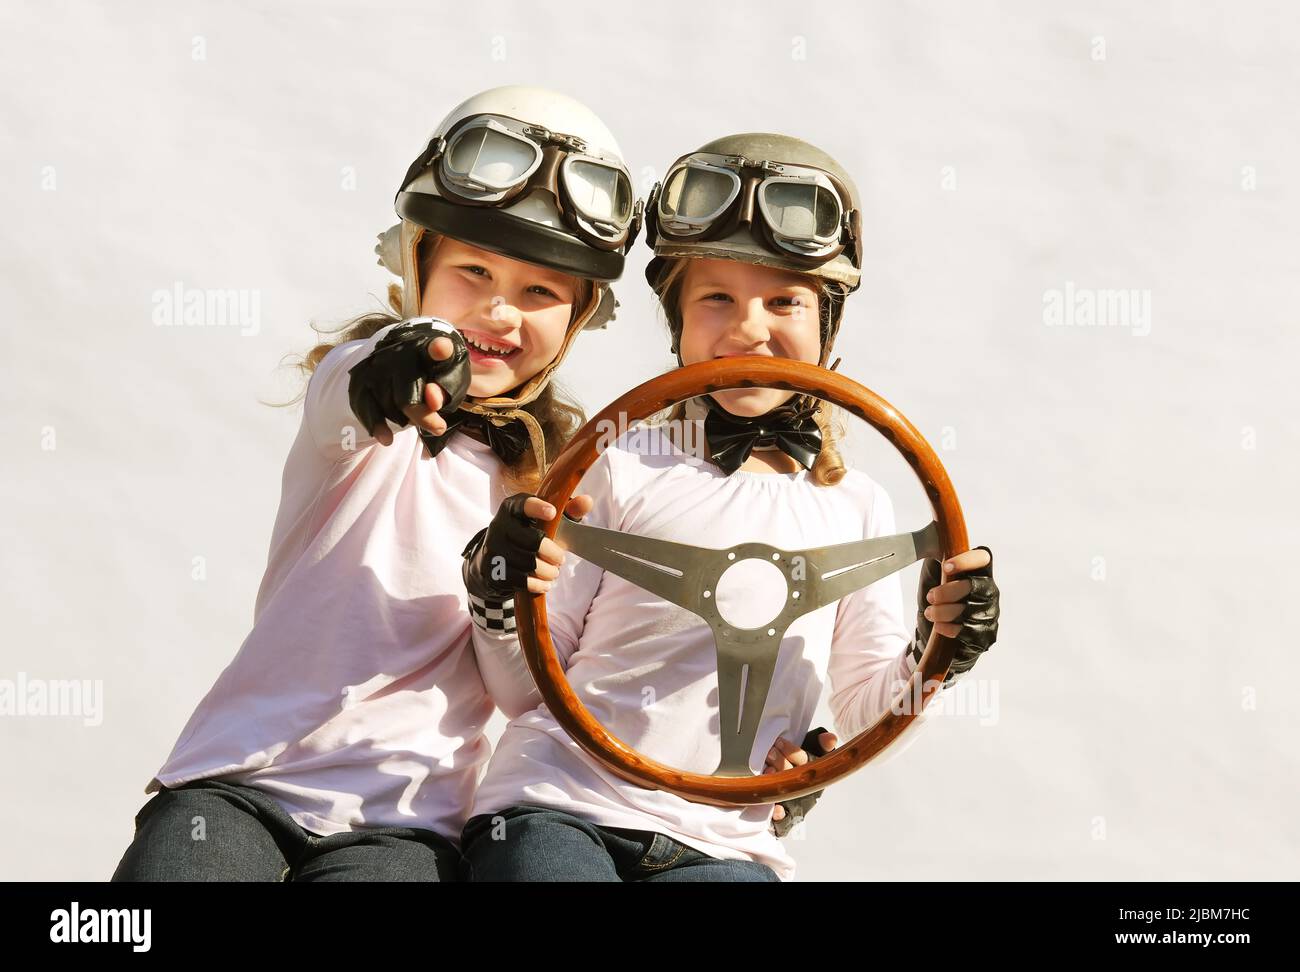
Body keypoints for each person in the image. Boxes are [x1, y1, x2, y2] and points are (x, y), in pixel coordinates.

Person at [111, 86, 639, 882]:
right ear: (415, 263)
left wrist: (499, 602)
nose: (499, 311)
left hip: (405, 819)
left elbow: (520, 696)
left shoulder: (552, 486)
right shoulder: (360, 405)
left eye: (540, 291)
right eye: (472, 270)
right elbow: (351, 394)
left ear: (580, 314)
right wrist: (401, 366)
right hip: (238, 779)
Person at [458, 133, 1001, 881]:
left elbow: (866, 705)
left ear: (827, 327)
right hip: (560, 806)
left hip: (728, 843)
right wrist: (498, 588)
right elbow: (523, 687)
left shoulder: (861, 508)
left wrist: (940, 650)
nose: (749, 328)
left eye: (785, 301)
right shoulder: (615, 468)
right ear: (676, 324)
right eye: (717, 298)